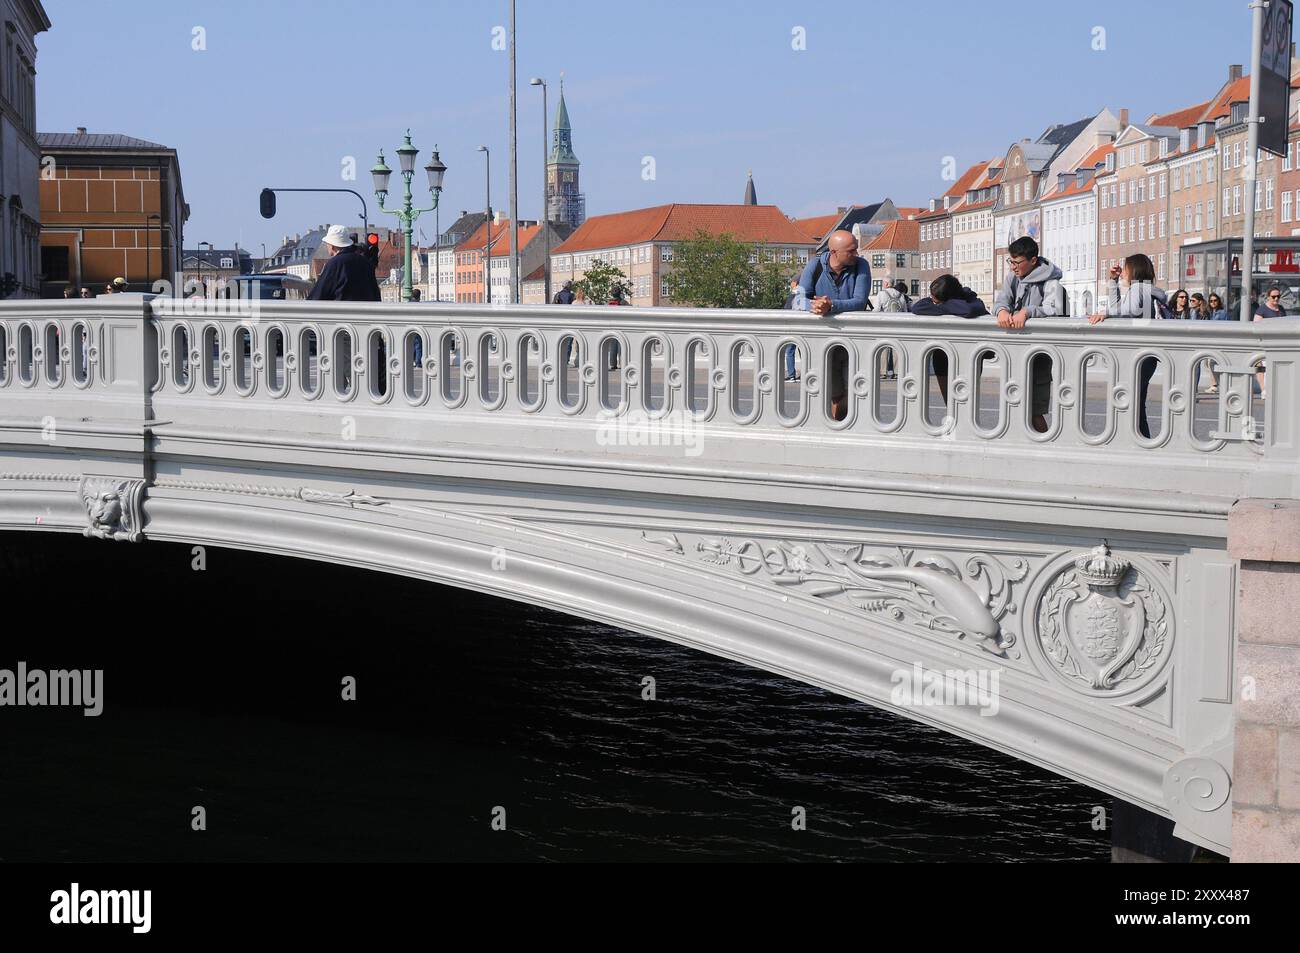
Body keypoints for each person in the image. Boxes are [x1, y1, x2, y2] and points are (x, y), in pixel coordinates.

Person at [1087, 254, 1167, 438]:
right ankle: (1141, 441)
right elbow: (1119, 306)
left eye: (1125, 268)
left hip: (1138, 354)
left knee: (1132, 403)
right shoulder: (1144, 289)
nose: (1122, 272)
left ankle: (1141, 442)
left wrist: (1105, 313)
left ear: (1134, 270)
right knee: (1137, 404)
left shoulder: (1138, 288)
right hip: (1146, 355)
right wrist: (1113, 281)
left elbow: (1129, 311)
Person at [795, 229, 872, 420]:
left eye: (856, 249)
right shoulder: (815, 266)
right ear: (834, 252)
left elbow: (859, 302)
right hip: (823, 341)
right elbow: (799, 300)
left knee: (857, 390)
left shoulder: (861, 265)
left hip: (854, 340)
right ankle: (836, 429)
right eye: (851, 251)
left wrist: (831, 305)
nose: (856, 254)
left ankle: (842, 429)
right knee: (835, 392)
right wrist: (817, 305)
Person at [993, 236, 1066, 433]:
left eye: (1017, 262)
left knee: (1034, 409)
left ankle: (1047, 447)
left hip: (1040, 352)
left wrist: (1027, 311)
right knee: (1015, 403)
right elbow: (1001, 301)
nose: (1012, 267)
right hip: (1016, 350)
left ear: (1033, 260)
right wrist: (1002, 311)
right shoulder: (1013, 278)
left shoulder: (1051, 281)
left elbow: (1054, 309)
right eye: (1011, 261)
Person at [910, 274, 989, 404]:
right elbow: (917, 307)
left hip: (968, 355)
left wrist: (941, 307)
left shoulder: (971, 299)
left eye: (936, 300)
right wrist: (944, 306)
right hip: (942, 356)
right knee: (950, 403)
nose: (932, 301)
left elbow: (969, 309)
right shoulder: (950, 302)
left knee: (966, 402)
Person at [307, 225, 381, 302]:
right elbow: (375, 293)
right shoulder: (365, 262)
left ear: (332, 246)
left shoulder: (335, 264)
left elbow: (318, 294)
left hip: (343, 312)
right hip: (367, 312)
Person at [1253, 284, 1286, 398]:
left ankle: (1274, 389)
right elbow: (1256, 326)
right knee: (1263, 366)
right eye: (1273, 297)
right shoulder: (1262, 309)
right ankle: (1264, 390)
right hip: (1265, 342)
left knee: (1275, 367)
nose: (1276, 299)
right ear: (1268, 297)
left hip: (1278, 342)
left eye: (1278, 296)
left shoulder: (1281, 308)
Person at [782, 277, 807, 382]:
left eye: (791, 282)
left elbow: (787, 308)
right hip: (803, 325)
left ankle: (792, 375)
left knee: (790, 350)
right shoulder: (804, 293)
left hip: (794, 325)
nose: (790, 284)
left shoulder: (795, 293)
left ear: (795, 283)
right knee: (803, 351)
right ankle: (805, 373)